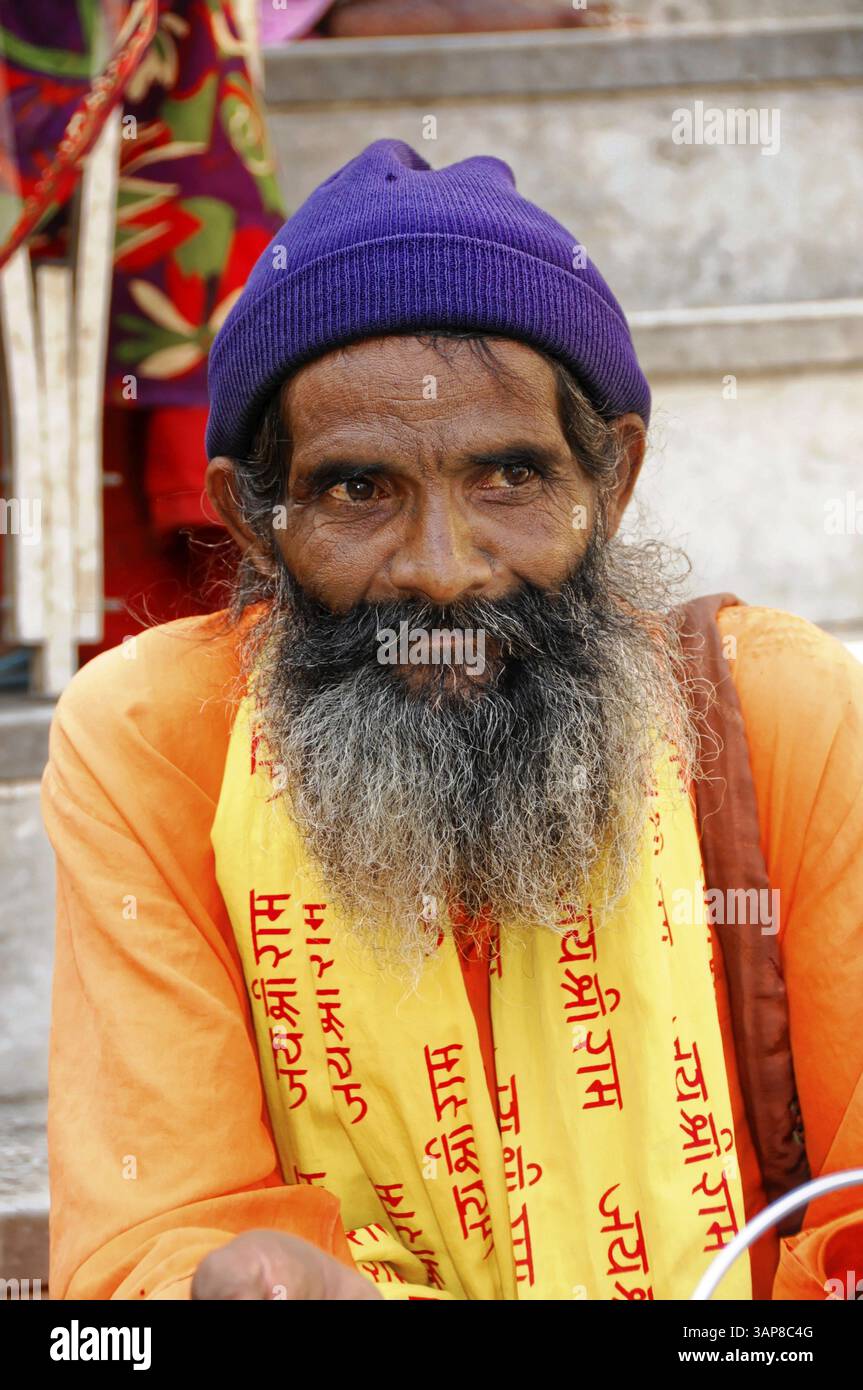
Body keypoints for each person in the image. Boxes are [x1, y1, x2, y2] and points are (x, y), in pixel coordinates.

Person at [42, 139, 863, 1301]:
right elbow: (143, 1246)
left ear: (609, 482)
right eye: (357, 489)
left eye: (508, 479)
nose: (442, 572)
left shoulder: (775, 716)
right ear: (253, 519)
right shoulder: (151, 740)